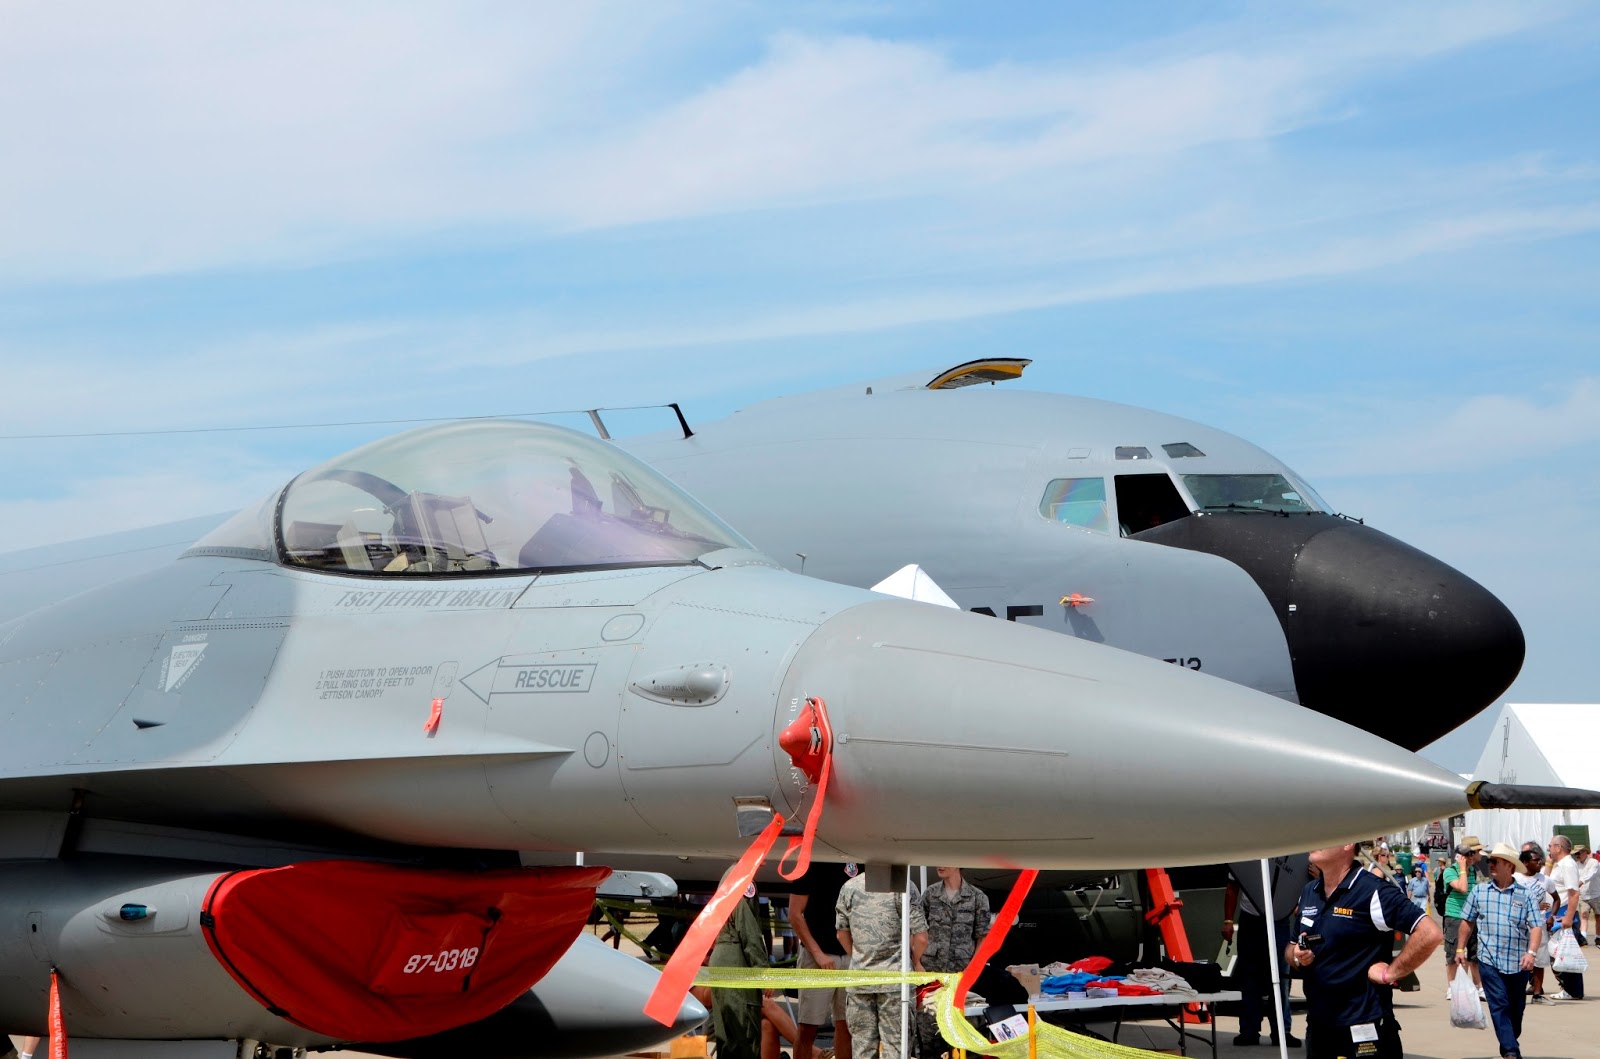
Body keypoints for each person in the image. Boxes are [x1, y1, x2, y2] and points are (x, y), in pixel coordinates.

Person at [1284, 842, 1442, 1059]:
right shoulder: (1309, 892)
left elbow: (1430, 933)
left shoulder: (1373, 890)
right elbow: (1291, 947)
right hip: (1319, 1029)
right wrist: (1296, 956)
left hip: (1364, 1029)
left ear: (1348, 844)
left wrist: (1391, 973)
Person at [1458, 842, 1543, 1059]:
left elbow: (1535, 926)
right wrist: (1460, 949)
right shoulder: (1479, 892)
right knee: (1499, 1005)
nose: (1490, 865)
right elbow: (1467, 922)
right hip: (1489, 960)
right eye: (1490, 861)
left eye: (1495, 861)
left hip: (1518, 962)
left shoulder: (1526, 895)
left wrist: (1531, 953)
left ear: (1509, 866)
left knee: (1516, 1009)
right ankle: (1510, 1051)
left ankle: (1509, 1038)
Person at [836, 870, 927, 1059]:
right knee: (895, 1050)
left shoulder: (849, 887)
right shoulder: (904, 886)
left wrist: (860, 958)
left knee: (862, 1050)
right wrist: (914, 961)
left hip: (860, 981)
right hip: (895, 984)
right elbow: (921, 938)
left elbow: (841, 933)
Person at [914, 867, 991, 1058]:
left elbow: (982, 937)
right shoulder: (930, 895)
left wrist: (974, 968)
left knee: (964, 1032)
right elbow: (917, 932)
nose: (940, 865)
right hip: (932, 974)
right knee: (929, 1032)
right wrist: (916, 963)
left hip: (962, 975)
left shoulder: (977, 897)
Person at [789, 862, 857, 1059]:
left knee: (846, 1026)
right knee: (808, 1027)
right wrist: (818, 953)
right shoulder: (814, 861)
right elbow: (794, 914)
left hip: (850, 957)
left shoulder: (860, 859)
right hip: (818, 957)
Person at [1223, 878, 1299, 1048]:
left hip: (1279, 919)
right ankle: (1249, 1031)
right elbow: (1232, 887)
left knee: (1281, 977)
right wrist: (1228, 921)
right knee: (1250, 977)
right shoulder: (1243, 857)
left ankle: (1282, 1032)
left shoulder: (1284, 855)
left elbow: (1296, 883)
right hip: (1251, 919)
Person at [710, 878, 773, 1059]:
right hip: (737, 961)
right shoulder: (743, 881)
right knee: (744, 1036)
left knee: (727, 1038)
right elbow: (748, 929)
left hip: (725, 957)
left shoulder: (730, 877)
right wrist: (762, 971)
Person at [1442, 837, 1484, 999]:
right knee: (1453, 953)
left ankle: (1478, 986)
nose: (1476, 855)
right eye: (1474, 852)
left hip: (1472, 917)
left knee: (1475, 954)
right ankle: (1452, 986)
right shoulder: (1450, 871)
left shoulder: (1474, 870)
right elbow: (1462, 887)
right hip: (1455, 916)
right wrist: (1461, 868)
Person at [1514, 842, 1556, 1003]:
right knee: (1520, 959)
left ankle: (1537, 993)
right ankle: (1517, 991)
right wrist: (1533, 906)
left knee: (1539, 959)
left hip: (1539, 925)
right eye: (1536, 861)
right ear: (1525, 863)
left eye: (1540, 860)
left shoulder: (1545, 880)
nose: (1540, 863)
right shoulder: (1517, 879)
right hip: (1520, 925)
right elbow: (1513, 900)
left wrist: (1551, 915)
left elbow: (1556, 899)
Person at [1545, 834, 1585, 1000]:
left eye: (1550, 846)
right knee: (1557, 952)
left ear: (1558, 847)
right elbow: (1546, 880)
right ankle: (1568, 988)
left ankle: (1572, 990)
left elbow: (1574, 893)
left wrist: (1568, 918)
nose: (1548, 849)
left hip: (1563, 913)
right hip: (1556, 913)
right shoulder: (1559, 865)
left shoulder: (1567, 865)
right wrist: (1549, 862)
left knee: (1564, 953)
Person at [1575, 844, 1599, 942]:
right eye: (1576, 853)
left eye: (1579, 853)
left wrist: (1581, 882)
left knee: (1598, 916)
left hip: (1596, 894)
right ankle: (1583, 937)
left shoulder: (1594, 862)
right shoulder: (1576, 865)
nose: (1577, 855)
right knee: (1584, 915)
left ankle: (1598, 937)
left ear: (1585, 852)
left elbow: (1591, 874)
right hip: (1583, 895)